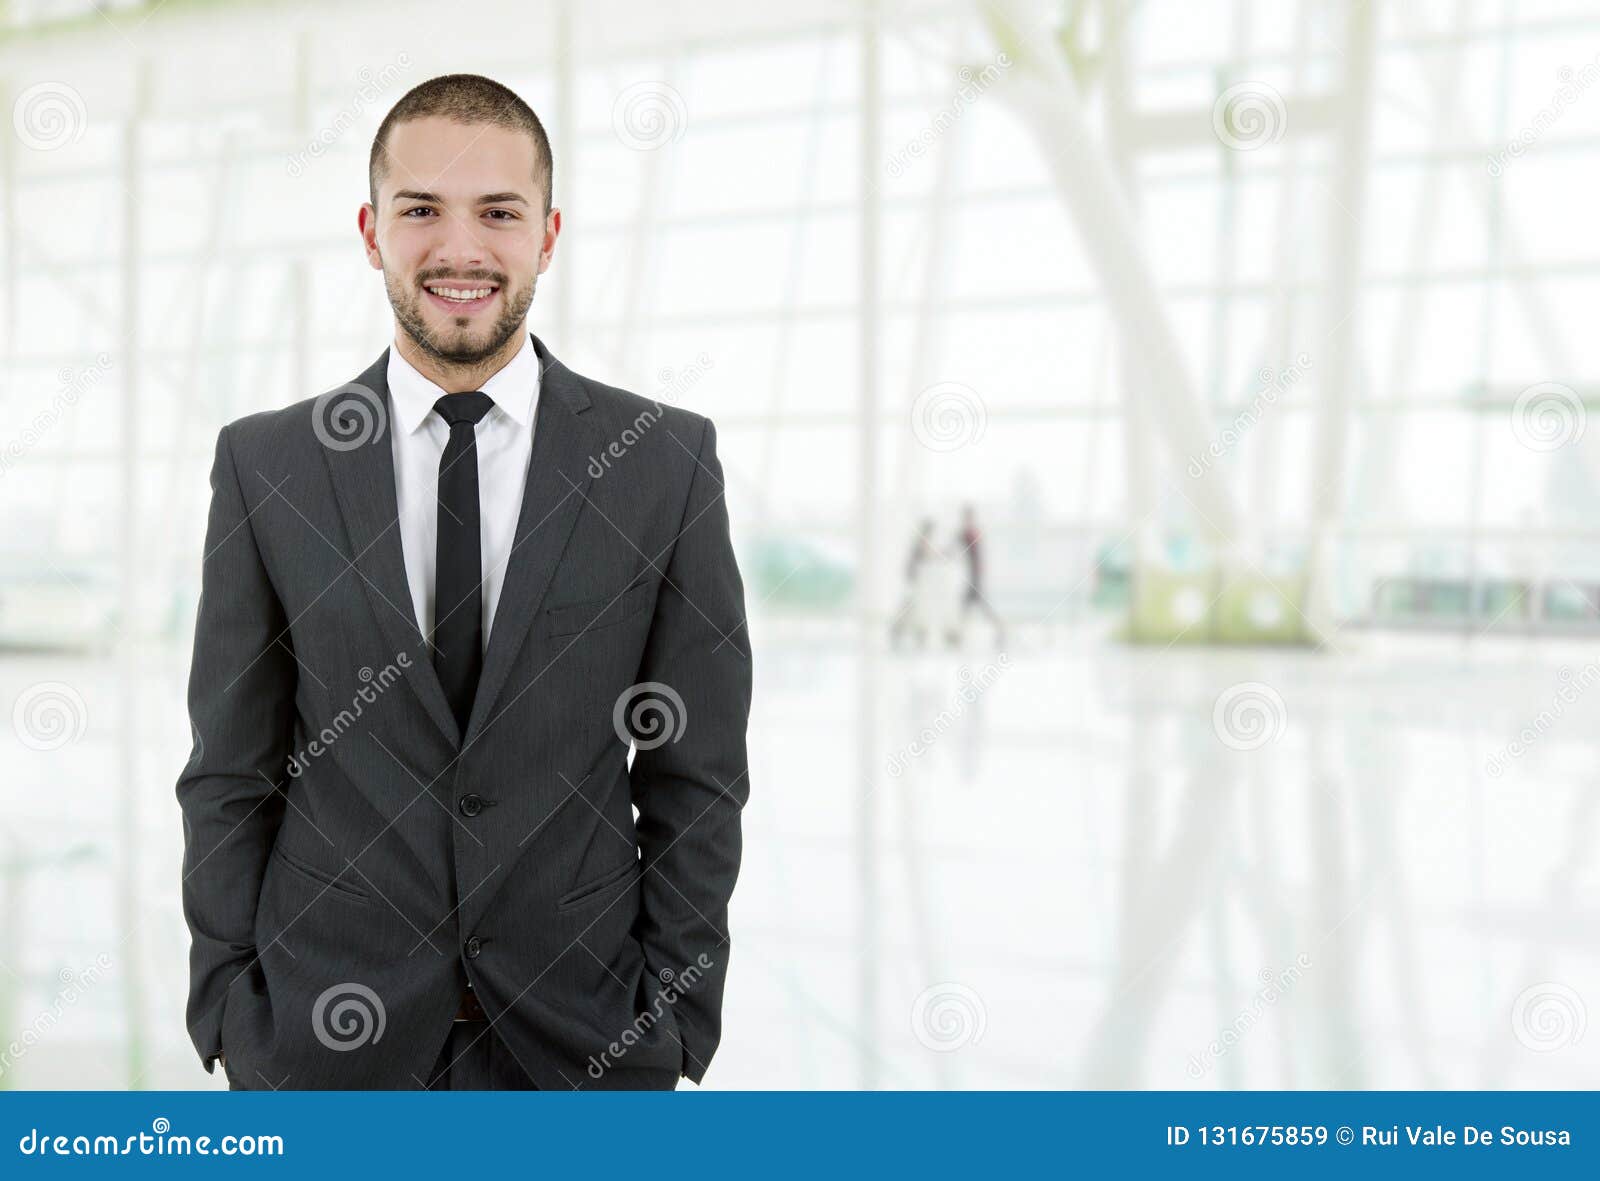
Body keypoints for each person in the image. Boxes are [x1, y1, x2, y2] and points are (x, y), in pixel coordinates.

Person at [176, 74, 751, 1091]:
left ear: (548, 232)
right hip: (319, 1044)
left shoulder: (663, 462)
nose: (460, 249)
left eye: (497, 212)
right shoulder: (268, 466)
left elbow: (695, 775)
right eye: (421, 211)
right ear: (370, 230)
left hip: (585, 1043)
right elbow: (231, 766)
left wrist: (675, 1014)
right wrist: (229, 1002)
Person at [952, 503, 1004, 647]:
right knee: (969, 607)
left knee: (973, 606)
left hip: (974, 578)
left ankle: (957, 635)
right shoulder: (971, 534)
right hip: (973, 576)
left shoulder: (969, 534)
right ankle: (957, 635)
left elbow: (959, 547)